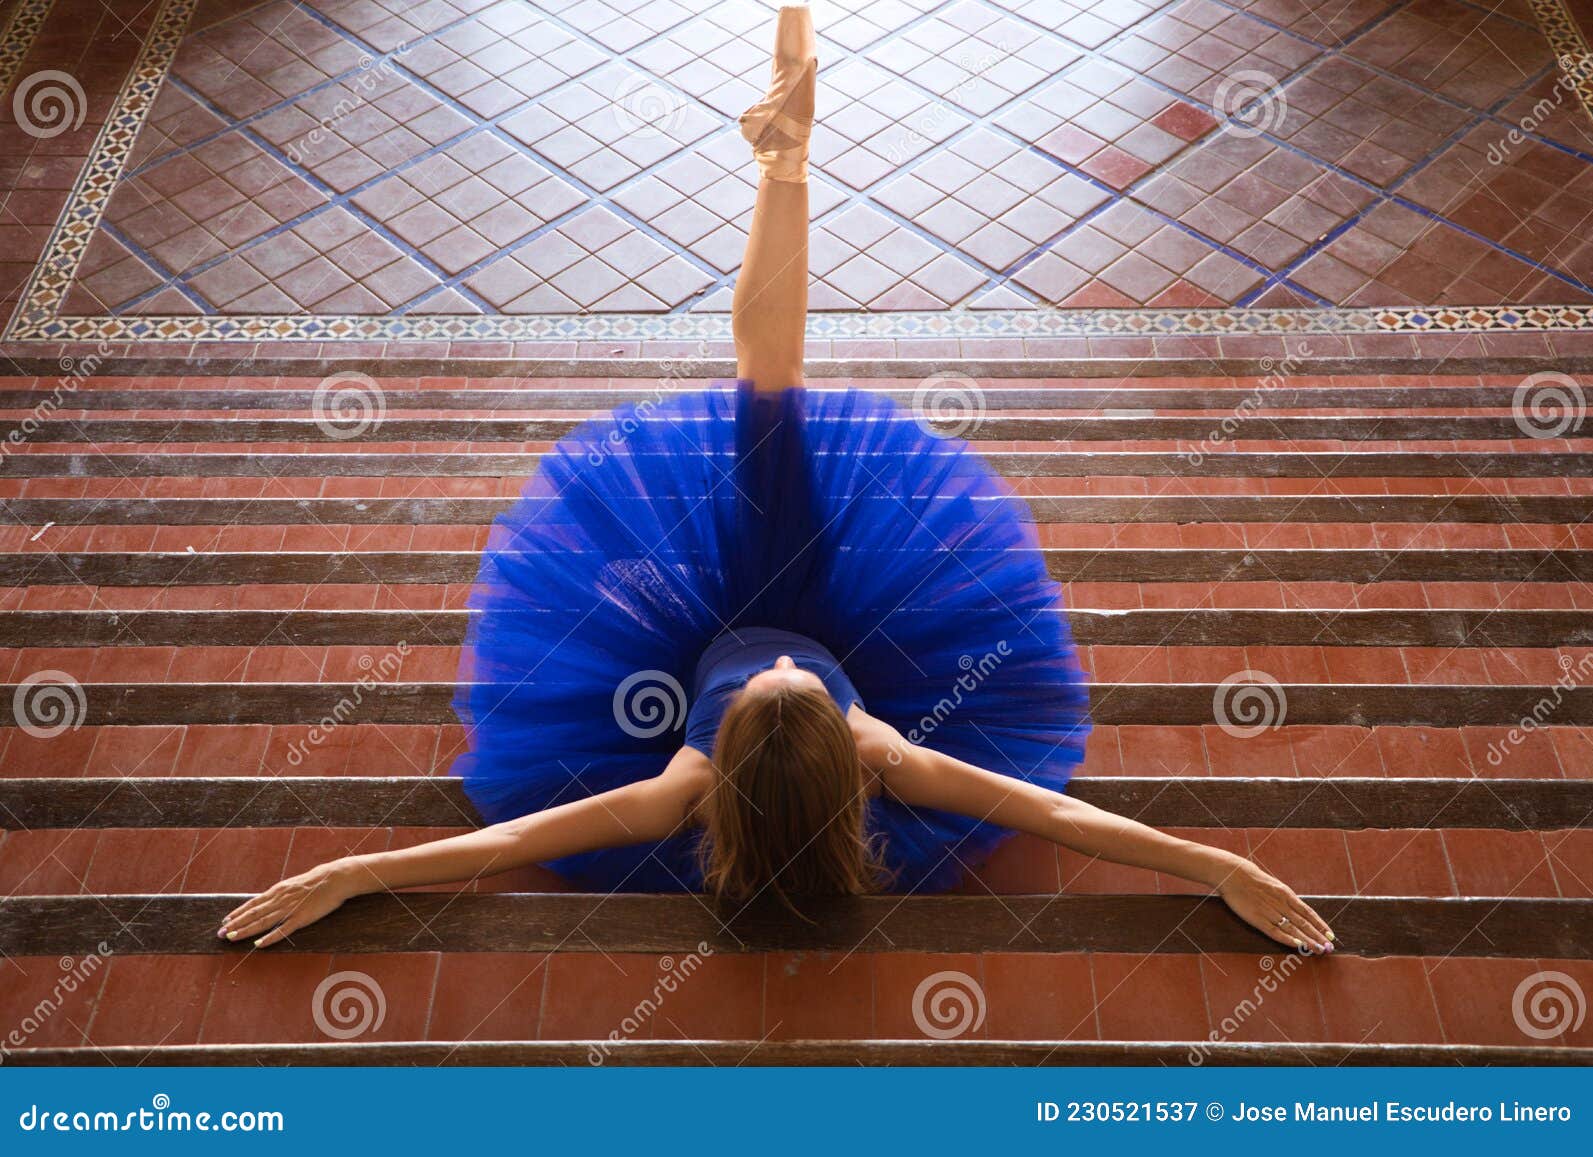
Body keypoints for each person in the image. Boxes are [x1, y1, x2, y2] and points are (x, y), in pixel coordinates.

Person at [222, 5, 1334, 956]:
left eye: (775, 684)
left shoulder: (681, 783)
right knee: (774, 399)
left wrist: (359, 871)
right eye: (811, 681)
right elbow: (1054, 810)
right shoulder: (880, 746)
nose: (794, 660)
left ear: (735, 735)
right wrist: (1215, 862)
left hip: (718, 592)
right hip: (807, 579)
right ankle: (786, 159)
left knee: (763, 397)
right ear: (844, 742)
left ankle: (780, 159)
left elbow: (509, 842)